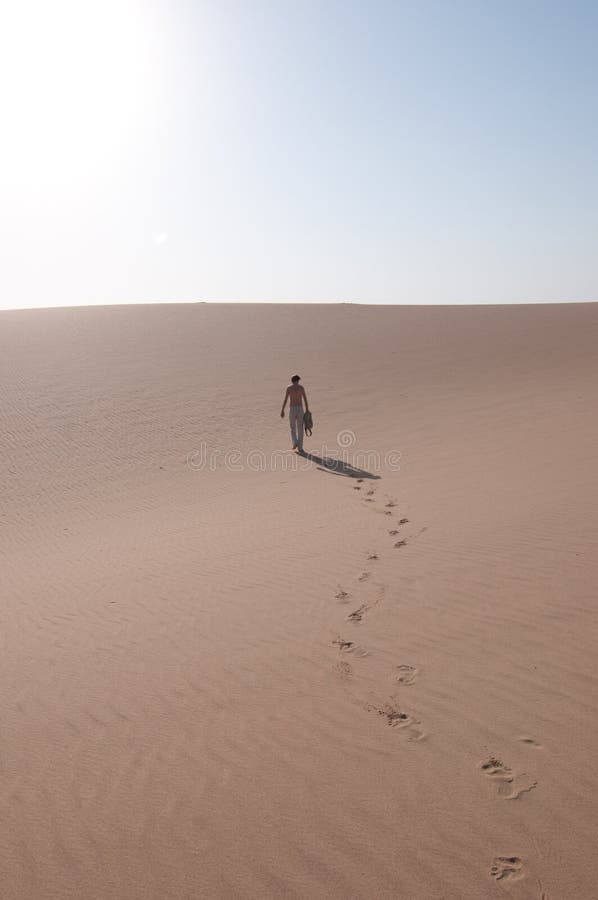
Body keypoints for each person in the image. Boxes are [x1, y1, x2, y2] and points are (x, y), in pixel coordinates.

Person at [280, 375, 309, 452]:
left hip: (292, 409)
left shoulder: (289, 388)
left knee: (292, 428)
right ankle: (300, 447)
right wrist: (307, 411)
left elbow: (285, 400)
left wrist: (282, 410)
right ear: (297, 380)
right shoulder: (301, 388)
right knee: (300, 428)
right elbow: (305, 400)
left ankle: (295, 442)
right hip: (300, 408)